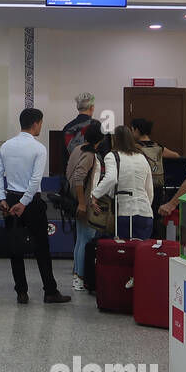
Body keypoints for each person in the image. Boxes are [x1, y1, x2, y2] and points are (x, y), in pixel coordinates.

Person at [0, 108, 72, 305]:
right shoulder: (39, 148)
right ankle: (50, 292)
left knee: (15, 246)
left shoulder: (6, 146)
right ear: (36, 123)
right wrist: (25, 202)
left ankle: (21, 292)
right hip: (32, 202)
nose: (41, 127)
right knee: (42, 247)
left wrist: (3, 199)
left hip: (10, 200)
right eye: (41, 124)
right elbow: (36, 179)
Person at [89, 125, 156, 240]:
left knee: (123, 253)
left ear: (115, 140)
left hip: (124, 212)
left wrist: (94, 195)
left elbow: (111, 178)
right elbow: (149, 189)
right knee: (141, 253)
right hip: (145, 213)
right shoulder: (142, 157)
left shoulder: (112, 156)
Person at [65, 121, 104, 291]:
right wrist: (83, 202)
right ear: (101, 139)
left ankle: (76, 276)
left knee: (80, 240)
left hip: (74, 200)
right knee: (86, 240)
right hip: (85, 203)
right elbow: (80, 177)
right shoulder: (90, 155)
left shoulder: (76, 149)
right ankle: (80, 277)